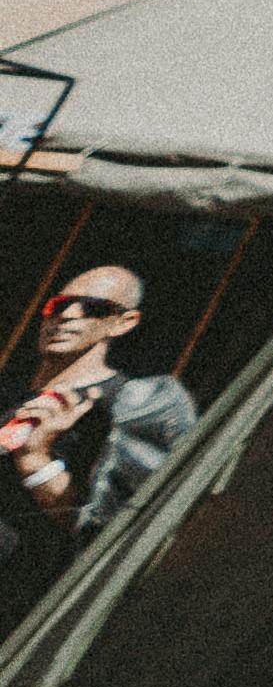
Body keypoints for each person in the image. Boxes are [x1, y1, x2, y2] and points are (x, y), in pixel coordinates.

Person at [0, 263, 197, 619]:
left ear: (124, 322)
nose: (68, 315)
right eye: (58, 305)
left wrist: (36, 460)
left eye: (94, 308)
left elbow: (112, 532)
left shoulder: (131, 404)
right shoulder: (8, 390)